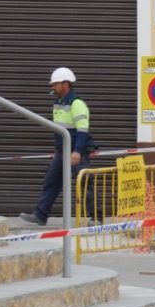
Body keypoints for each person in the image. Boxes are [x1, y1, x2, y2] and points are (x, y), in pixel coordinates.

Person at [19, 67, 96, 226]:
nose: (52, 87)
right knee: (51, 181)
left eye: (55, 84)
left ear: (66, 84)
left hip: (76, 151)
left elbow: (82, 130)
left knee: (85, 182)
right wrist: (58, 150)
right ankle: (40, 215)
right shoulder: (58, 102)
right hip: (63, 151)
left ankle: (96, 217)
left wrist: (77, 151)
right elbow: (59, 130)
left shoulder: (77, 104)